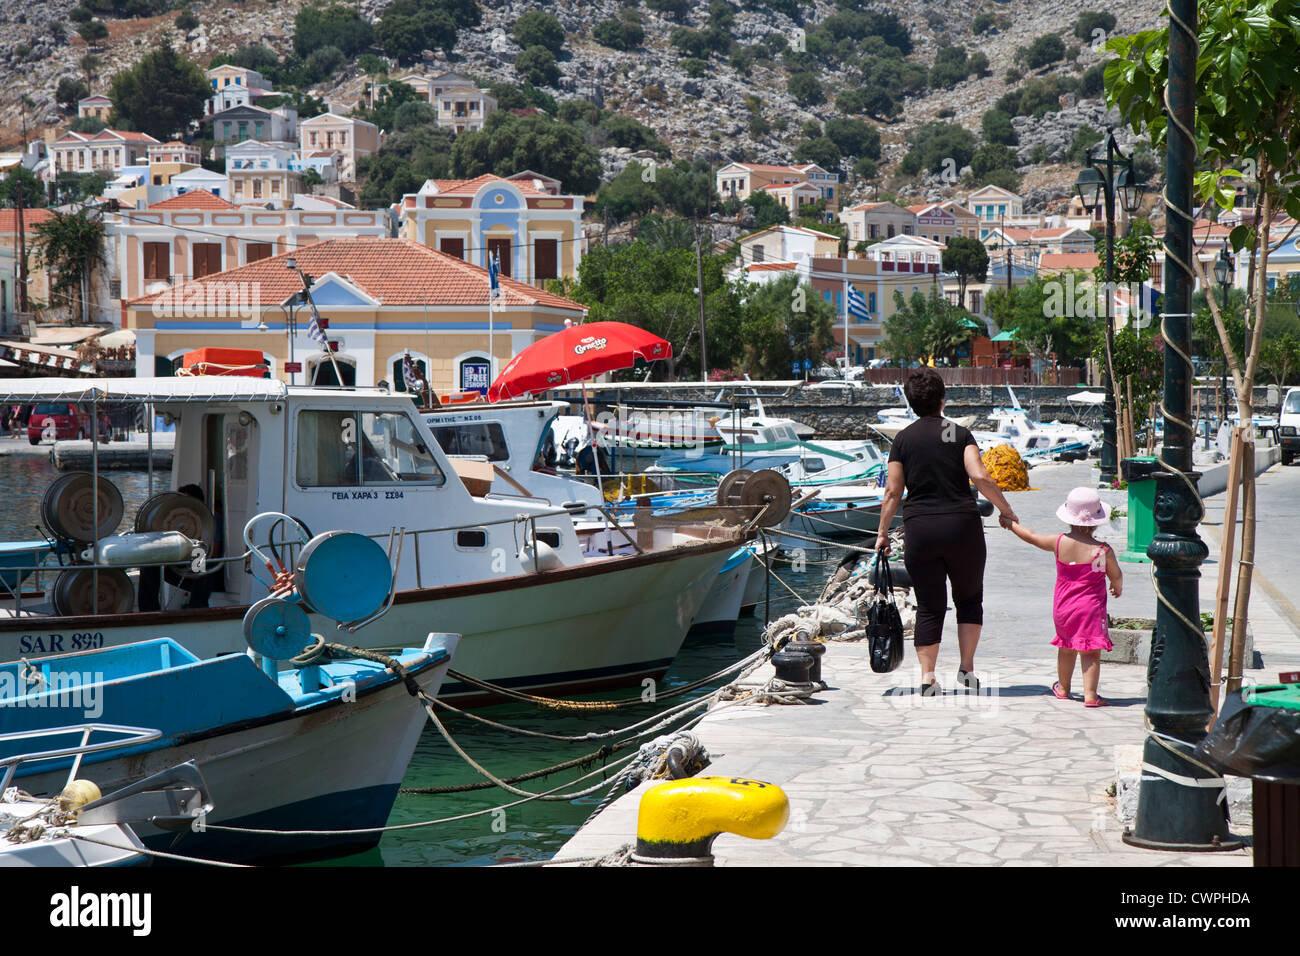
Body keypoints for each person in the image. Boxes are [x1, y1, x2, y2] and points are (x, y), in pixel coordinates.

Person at [874, 368, 1020, 696]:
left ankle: (927, 678)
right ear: (943, 398)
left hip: (920, 529)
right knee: (969, 599)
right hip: (962, 528)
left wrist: (883, 533)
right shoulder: (959, 434)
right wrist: (1006, 510)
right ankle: (966, 669)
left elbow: (893, 493)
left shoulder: (902, 440)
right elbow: (980, 476)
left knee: (929, 604)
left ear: (912, 403)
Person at [1003, 487, 1123, 707]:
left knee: (1066, 647)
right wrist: (1117, 586)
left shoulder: (1058, 542)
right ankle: (1090, 695)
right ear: (1096, 521)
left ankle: (1064, 688)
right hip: (1091, 609)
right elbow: (1115, 575)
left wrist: (1011, 525)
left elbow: (1031, 537)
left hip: (1064, 607)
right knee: (1091, 653)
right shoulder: (1103, 550)